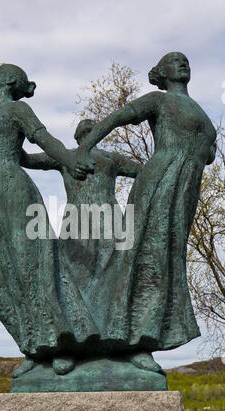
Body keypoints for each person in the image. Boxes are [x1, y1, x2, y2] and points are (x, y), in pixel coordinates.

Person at [0, 32, 97, 377]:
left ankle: (58, 345)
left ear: (9, 80)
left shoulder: (17, 109)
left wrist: (69, 162)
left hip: (15, 194)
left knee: (33, 271)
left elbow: (45, 139)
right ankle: (32, 344)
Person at [75, 52, 217, 372]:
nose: (183, 63)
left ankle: (141, 337)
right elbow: (114, 119)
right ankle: (132, 340)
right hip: (160, 180)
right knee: (145, 258)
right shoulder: (159, 100)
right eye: (174, 60)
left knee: (166, 261)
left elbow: (206, 154)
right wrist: (84, 149)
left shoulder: (202, 113)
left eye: (186, 60)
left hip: (185, 188)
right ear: (162, 72)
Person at [20, 118, 142, 330]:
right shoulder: (86, 157)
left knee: (95, 272)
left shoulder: (90, 157)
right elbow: (144, 172)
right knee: (90, 273)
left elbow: (27, 159)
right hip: (90, 218)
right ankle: (89, 329)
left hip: (97, 218)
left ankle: (100, 328)